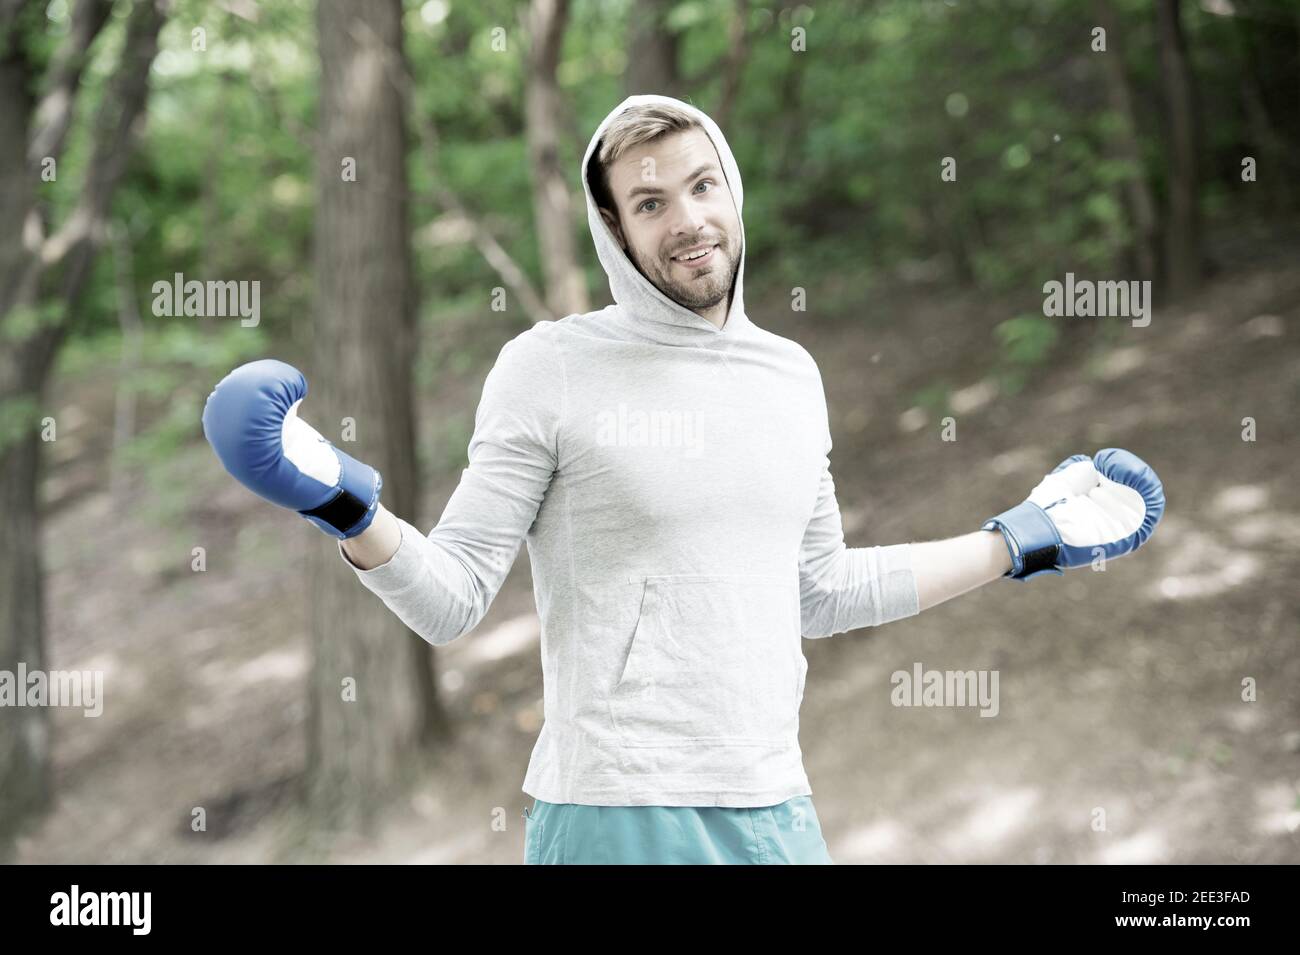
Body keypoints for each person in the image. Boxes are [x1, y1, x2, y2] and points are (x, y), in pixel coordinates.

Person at [201, 95, 1166, 865]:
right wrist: (339, 499)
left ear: (732, 190)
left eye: (702, 186)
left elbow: (820, 591)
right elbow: (453, 597)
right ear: (616, 229)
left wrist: (1019, 537)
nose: (689, 220)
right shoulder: (552, 366)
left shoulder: (790, 374)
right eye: (652, 202)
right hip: (621, 810)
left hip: (775, 804)